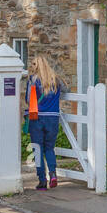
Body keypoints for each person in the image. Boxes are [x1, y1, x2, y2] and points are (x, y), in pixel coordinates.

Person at [25, 55, 65, 190]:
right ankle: (53, 174)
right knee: (49, 148)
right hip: (53, 118)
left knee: (37, 149)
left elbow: (28, 99)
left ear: (34, 66)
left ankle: (42, 181)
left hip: (37, 118)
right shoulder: (56, 80)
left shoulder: (33, 81)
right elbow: (66, 91)